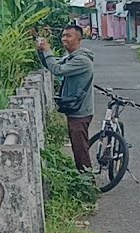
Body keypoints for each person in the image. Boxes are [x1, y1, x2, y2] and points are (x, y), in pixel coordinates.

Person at [37, 24, 96, 173]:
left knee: (80, 150)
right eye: (63, 35)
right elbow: (52, 65)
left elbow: (58, 70)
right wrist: (42, 53)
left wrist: (48, 50)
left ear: (79, 38)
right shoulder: (71, 57)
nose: (64, 38)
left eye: (68, 36)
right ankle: (84, 178)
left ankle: (88, 184)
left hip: (81, 112)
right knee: (78, 147)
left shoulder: (81, 60)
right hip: (75, 110)